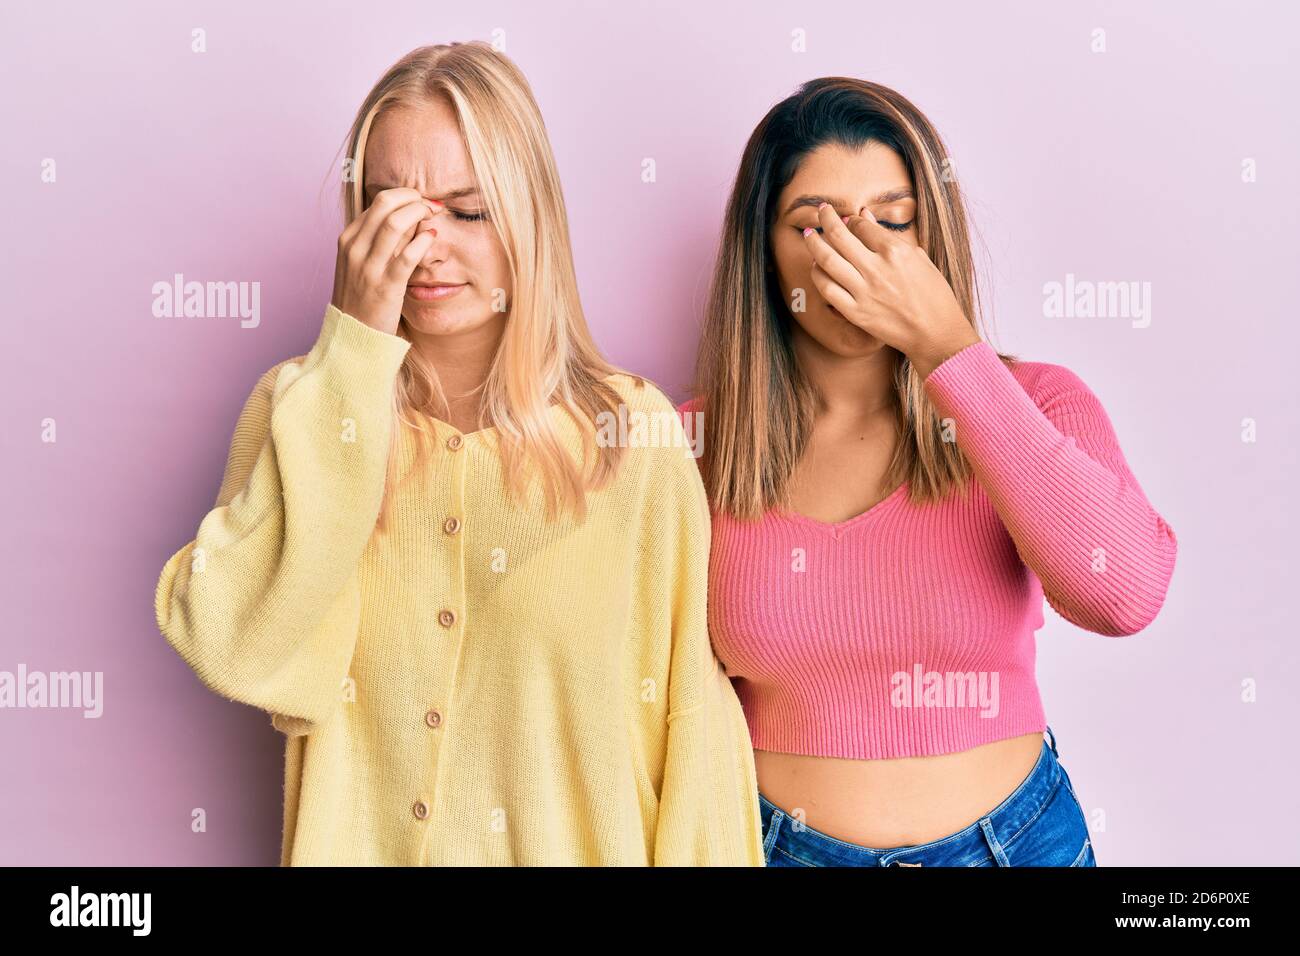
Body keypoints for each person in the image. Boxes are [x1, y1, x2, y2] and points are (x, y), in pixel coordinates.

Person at [155, 41, 763, 866]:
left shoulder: (634, 441)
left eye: (466, 211)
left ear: (529, 218)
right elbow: (240, 649)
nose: (423, 249)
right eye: (390, 213)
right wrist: (353, 353)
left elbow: (695, 740)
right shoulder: (303, 410)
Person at [679, 76, 1178, 866]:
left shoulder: (1034, 402)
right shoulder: (693, 447)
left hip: (1015, 846)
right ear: (763, 255)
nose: (858, 254)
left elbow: (1125, 594)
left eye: (893, 222)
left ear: (932, 240)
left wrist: (950, 352)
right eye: (813, 226)